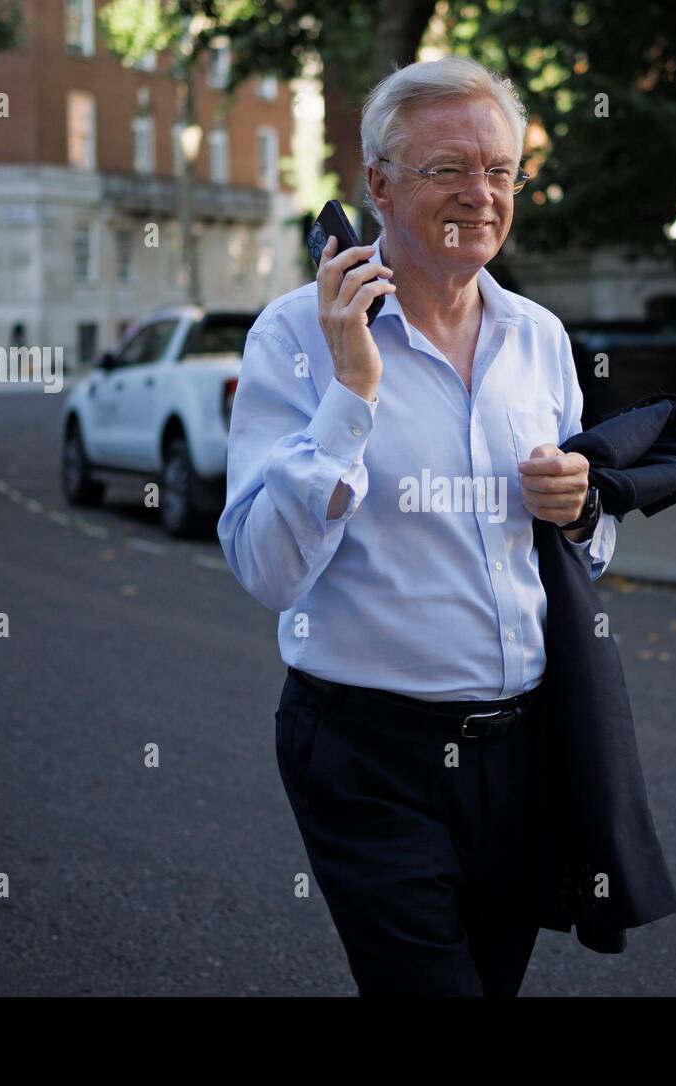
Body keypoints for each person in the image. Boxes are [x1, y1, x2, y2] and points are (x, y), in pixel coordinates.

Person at [217, 56, 613, 996]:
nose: (481, 194)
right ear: (379, 185)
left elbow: (579, 552)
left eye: (501, 171)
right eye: (449, 169)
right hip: (368, 757)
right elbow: (266, 570)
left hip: (522, 751)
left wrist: (584, 508)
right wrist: (352, 394)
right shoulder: (293, 337)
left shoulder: (541, 339)